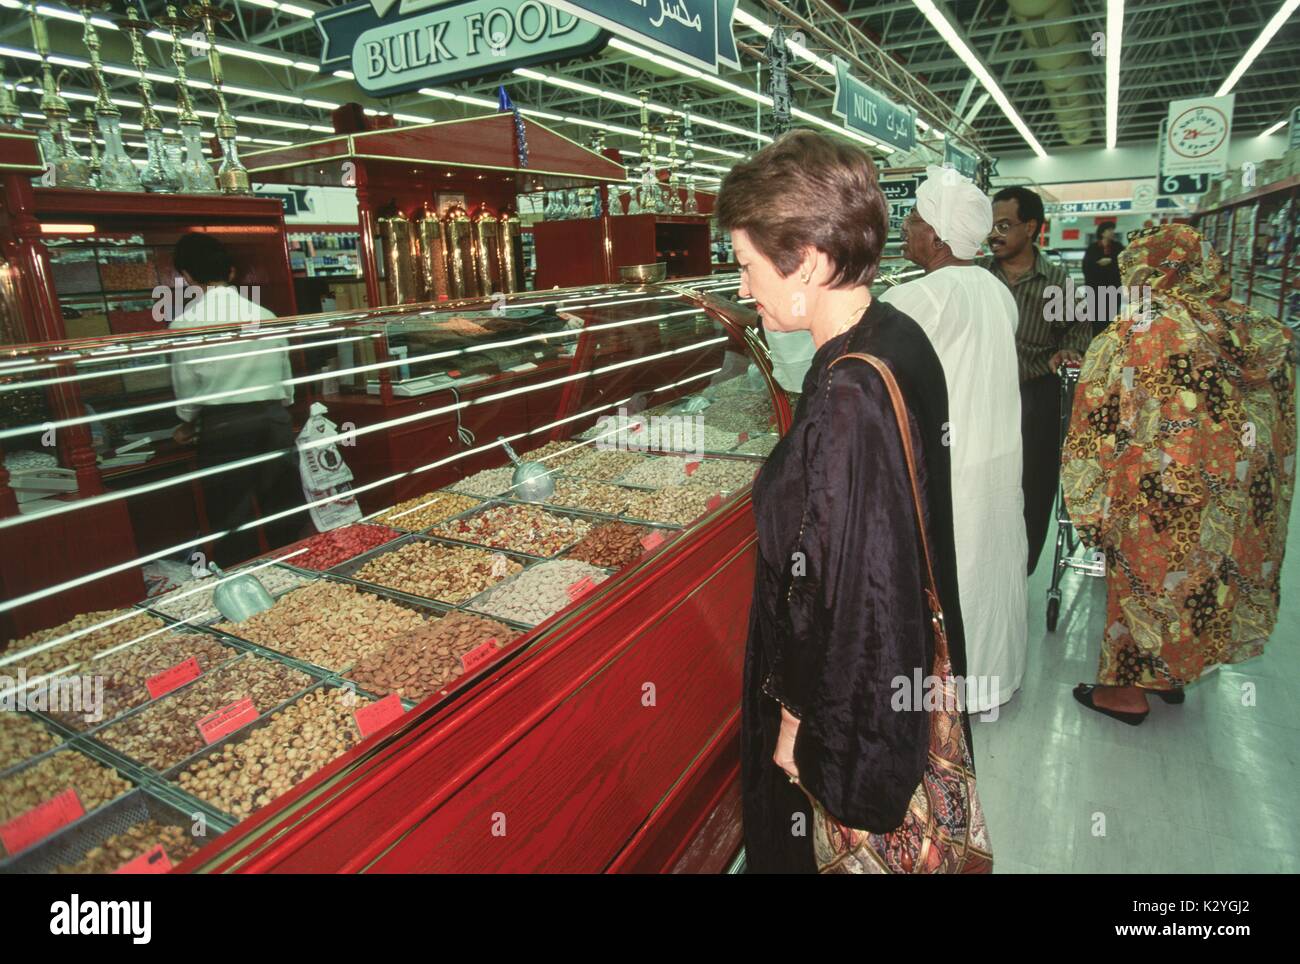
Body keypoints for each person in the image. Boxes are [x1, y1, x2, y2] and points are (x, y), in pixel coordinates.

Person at [718, 129, 968, 873]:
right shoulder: (896, 334)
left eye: (746, 264)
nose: (741, 288)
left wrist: (798, 724)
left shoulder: (848, 393)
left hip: (847, 700)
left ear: (812, 263)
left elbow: (845, 587)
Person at [1063, 224, 1296, 724]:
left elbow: (1097, 417)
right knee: (1202, 579)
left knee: (1145, 584)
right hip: (1225, 490)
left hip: (1154, 490)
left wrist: (1089, 499)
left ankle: (1125, 692)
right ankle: (1173, 673)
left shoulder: (1141, 327)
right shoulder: (1250, 330)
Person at [880, 166, 1027, 712]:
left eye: (915, 218)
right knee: (989, 569)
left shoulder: (922, 297)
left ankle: (948, 693)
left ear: (938, 237)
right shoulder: (997, 291)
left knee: (955, 574)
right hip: (994, 459)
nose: (906, 226)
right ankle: (991, 684)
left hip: (950, 469)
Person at [168, 232, 301, 567]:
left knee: (231, 522)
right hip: (273, 421)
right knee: (283, 512)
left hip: (224, 427)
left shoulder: (184, 324)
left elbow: (186, 389)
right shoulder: (265, 316)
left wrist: (185, 423)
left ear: (186, 276)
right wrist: (276, 409)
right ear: (230, 273)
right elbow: (286, 383)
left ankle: (244, 595)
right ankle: (297, 579)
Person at [979, 185, 1090, 575]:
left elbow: (1079, 333)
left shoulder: (1058, 283)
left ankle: (1020, 569)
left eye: (1004, 225)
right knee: (981, 482)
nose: (994, 234)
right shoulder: (978, 278)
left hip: (1035, 399)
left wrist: (1069, 352)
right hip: (982, 398)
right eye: (991, 226)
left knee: (1034, 485)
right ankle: (983, 566)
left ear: (1030, 227)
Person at [1082, 220, 1125, 339]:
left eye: (1112, 230)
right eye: (1109, 230)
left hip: (1113, 289)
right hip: (1095, 290)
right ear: (1102, 232)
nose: (1112, 232)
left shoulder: (1118, 247)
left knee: (1110, 317)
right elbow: (1086, 266)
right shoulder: (1093, 248)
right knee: (1095, 317)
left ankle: (1108, 342)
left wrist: (1111, 262)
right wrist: (1098, 264)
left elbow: (1124, 262)